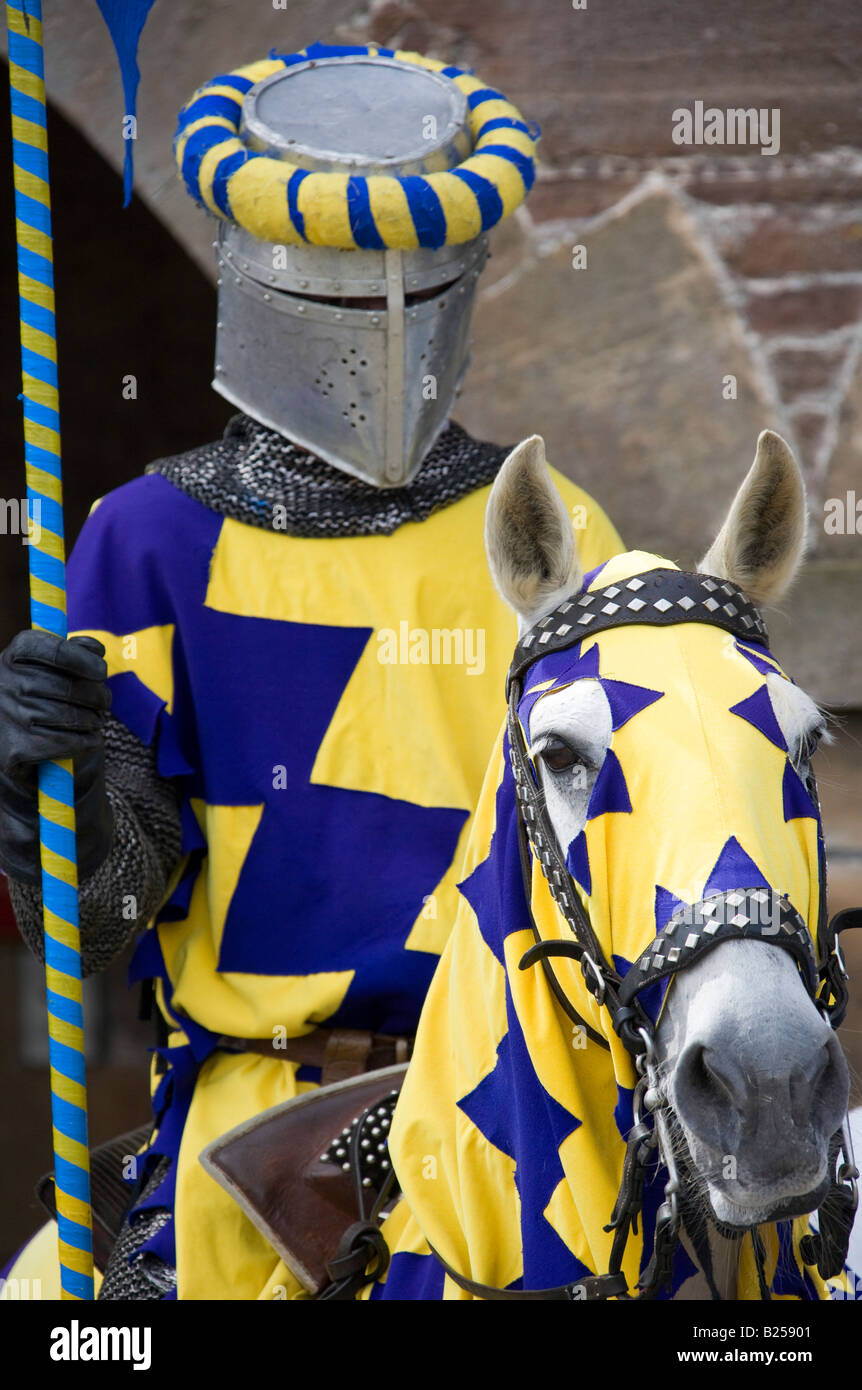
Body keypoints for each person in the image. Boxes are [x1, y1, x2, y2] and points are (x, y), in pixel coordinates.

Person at [0, 41, 622, 1299]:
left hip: (521, 1123)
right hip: (250, 1141)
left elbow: (622, 864)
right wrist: (40, 787)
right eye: (341, 303)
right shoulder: (147, 538)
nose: (381, 337)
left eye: (410, 293)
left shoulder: (555, 531)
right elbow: (105, 917)